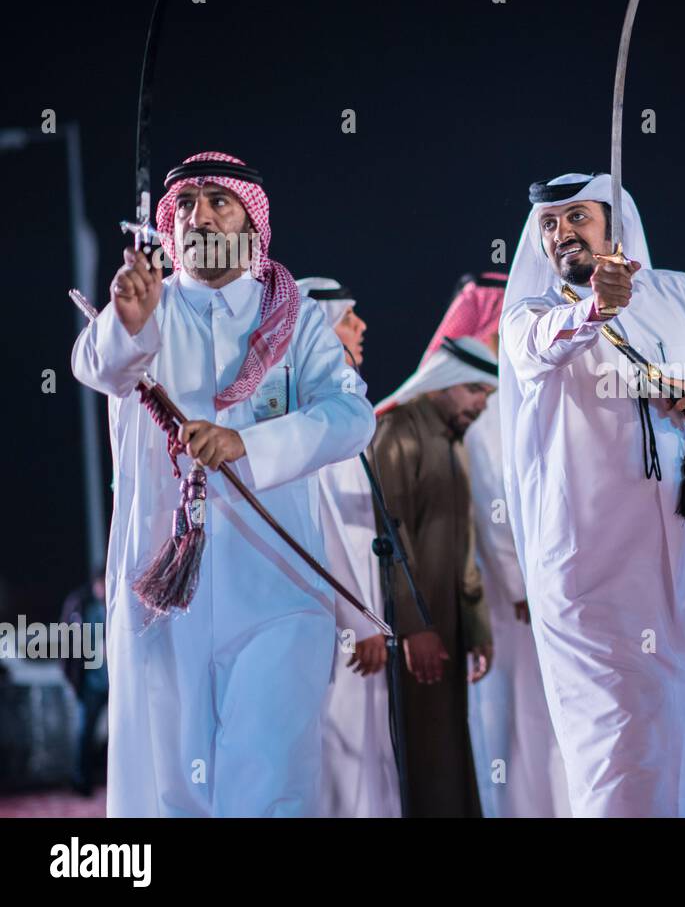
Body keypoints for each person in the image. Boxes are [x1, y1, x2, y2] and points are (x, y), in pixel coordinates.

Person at [71, 151, 376, 816]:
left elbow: (352, 416)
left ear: (251, 222)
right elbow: (98, 366)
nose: (199, 215)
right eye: (185, 203)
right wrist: (126, 318)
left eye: (219, 201)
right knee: (174, 792)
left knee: (269, 784)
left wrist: (249, 445)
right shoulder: (150, 308)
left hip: (277, 594)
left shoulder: (295, 319)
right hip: (163, 598)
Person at [498, 173, 685, 816]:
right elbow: (542, 346)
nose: (562, 233)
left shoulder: (684, 296)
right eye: (549, 224)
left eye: (578, 217)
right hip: (591, 571)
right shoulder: (531, 314)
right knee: (615, 746)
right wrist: (596, 307)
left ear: (617, 223)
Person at [428, 272, 571, 817]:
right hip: (511, 595)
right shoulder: (486, 396)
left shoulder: (511, 389)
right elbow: (495, 505)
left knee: (543, 719)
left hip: (534, 584)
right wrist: (520, 584)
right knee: (518, 720)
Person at [369, 336, 497, 817]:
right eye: (474, 391)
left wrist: (476, 626)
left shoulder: (451, 438)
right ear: (444, 382)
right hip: (415, 632)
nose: (482, 405)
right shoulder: (399, 431)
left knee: (450, 746)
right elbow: (390, 536)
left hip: (447, 626)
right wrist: (414, 625)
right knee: (421, 749)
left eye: (487, 395)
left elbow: (464, 545)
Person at [294, 276, 400, 818]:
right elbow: (322, 528)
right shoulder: (309, 412)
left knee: (369, 745)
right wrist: (358, 622)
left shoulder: (343, 407)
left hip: (363, 608)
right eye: (346, 318)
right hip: (340, 620)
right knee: (341, 747)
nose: (360, 326)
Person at [60, 570, 108, 796]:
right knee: (84, 733)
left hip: (113, 682)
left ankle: (108, 778)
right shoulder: (79, 604)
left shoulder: (116, 603)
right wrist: (71, 678)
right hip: (90, 683)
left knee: (119, 732)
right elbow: (67, 644)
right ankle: (82, 780)